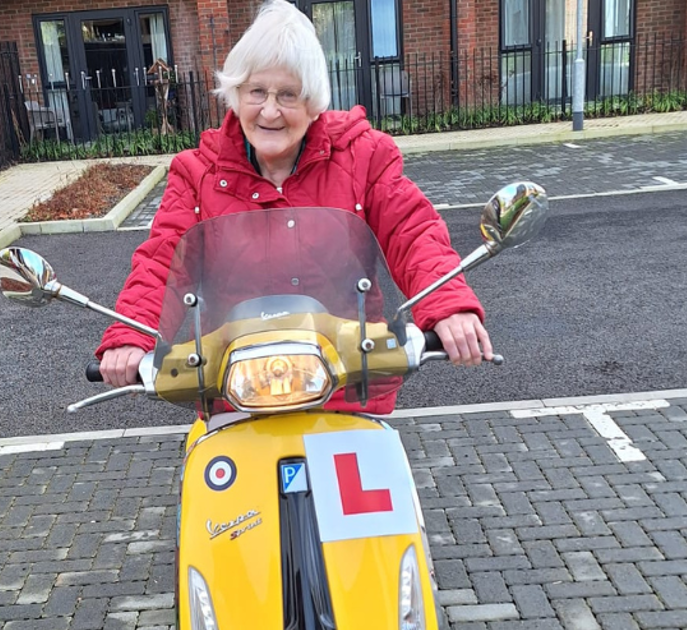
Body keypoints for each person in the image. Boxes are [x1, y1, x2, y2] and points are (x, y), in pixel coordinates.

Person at [96, 0, 490, 416]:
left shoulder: (364, 155)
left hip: (347, 389)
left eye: (288, 94)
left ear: (312, 102)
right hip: (235, 394)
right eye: (256, 91)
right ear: (235, 93)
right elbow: (163, 263)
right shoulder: (197, 174)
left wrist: (447, 303)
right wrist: (130, 334)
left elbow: (412, 232)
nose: (269, 110)